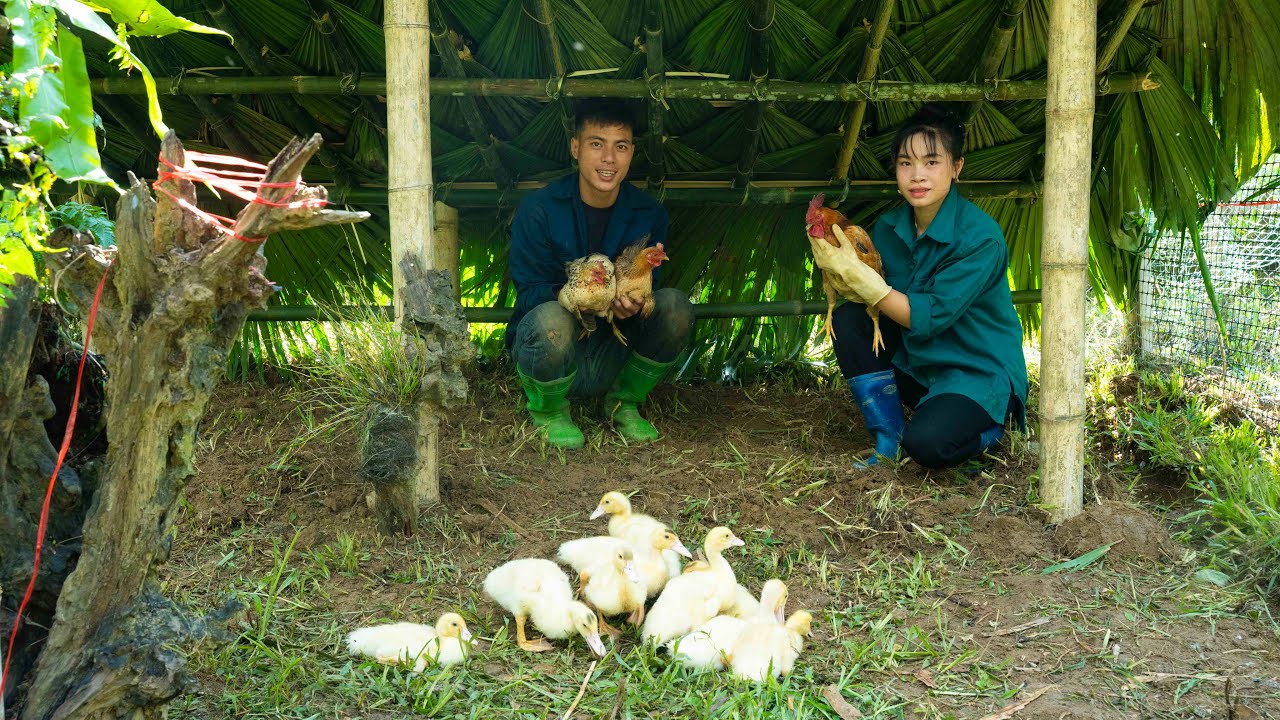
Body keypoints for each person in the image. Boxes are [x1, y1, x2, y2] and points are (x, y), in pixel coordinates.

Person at [809, 104, 1028, 469]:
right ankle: (887, 439)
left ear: (956, 167)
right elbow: (878, 307)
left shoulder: (980, 237)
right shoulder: (889, 227)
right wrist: (840, 271)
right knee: (849, 320)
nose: (917, 175)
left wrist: (868, 284)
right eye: (905, 163)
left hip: (975, 372)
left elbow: (931, 317)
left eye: (931, 162)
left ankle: (993, 427)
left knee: (927, 445)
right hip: (921, 361)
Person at [506, 99, 694, 449]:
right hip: (554, 350)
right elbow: (528, 291)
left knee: (676, 307)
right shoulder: (539, 210)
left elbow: (647, 283)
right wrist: (584, 301)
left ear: (631, 153)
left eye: (620, 147)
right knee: (550, 318)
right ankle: (549, 410)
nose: (609, 158)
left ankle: (624, 402)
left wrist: (633, 304)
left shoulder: (648, 213)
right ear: (575, 148)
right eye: (597, 144)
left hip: (614, 352)